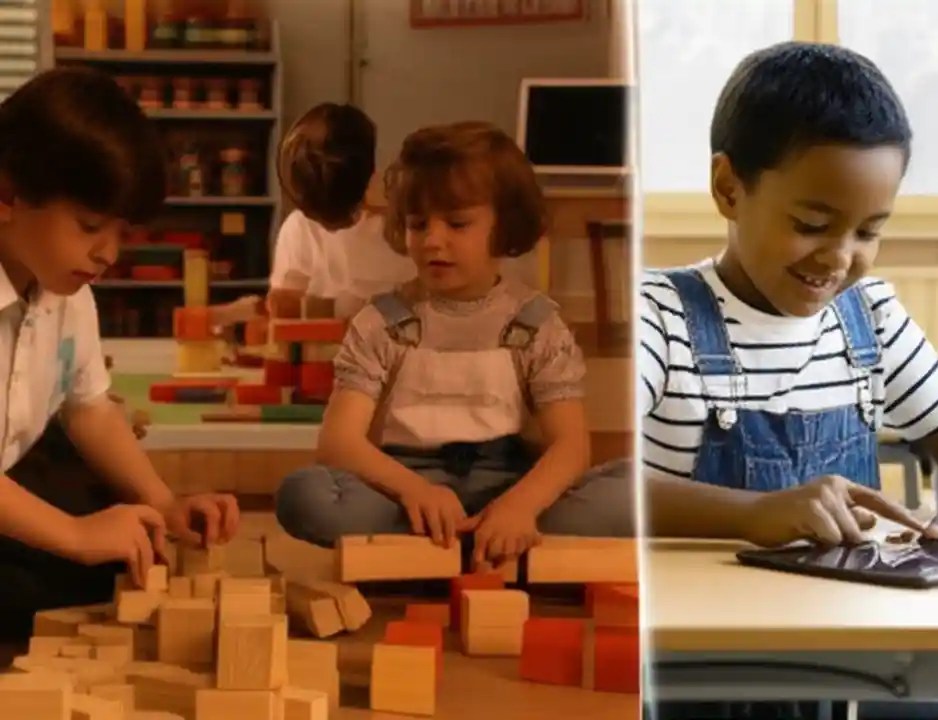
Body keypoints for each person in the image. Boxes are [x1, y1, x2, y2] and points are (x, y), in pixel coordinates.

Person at [640, 42, 938, 720]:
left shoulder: (869, 318)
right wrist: (752, 514)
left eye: (869, 231)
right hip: (693, 676)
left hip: (846, 666)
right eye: (811, 225)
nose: (840, 258)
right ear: (729, 188)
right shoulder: (658, 315)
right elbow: (593, 488)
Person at [275, 121, 632, 569]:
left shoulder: (536, 322)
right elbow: (338, 442)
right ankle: (469, 538)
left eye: (457, 224)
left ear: (504, 227)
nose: (432, 240)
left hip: (507, 482)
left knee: (630, 490)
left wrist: (519, 507)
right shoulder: (380, 322)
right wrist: (416, 491)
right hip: (403, 489)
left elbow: (571, 445)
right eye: (418, 224)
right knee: (305, 495)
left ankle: (473, 535)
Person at [0, 67, 240, 640]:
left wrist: (166, 503)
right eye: (89, 226)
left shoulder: (65, 290)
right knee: (39, 585)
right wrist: (76, 536)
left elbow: (89, 408)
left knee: (129, 536)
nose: (108, 253)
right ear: (6, 196)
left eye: (121, 232)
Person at [269, 102, 416, 320]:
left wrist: (354, 307)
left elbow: (424, 308)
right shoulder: (299, 228)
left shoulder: (406, 226)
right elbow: (283, 308)